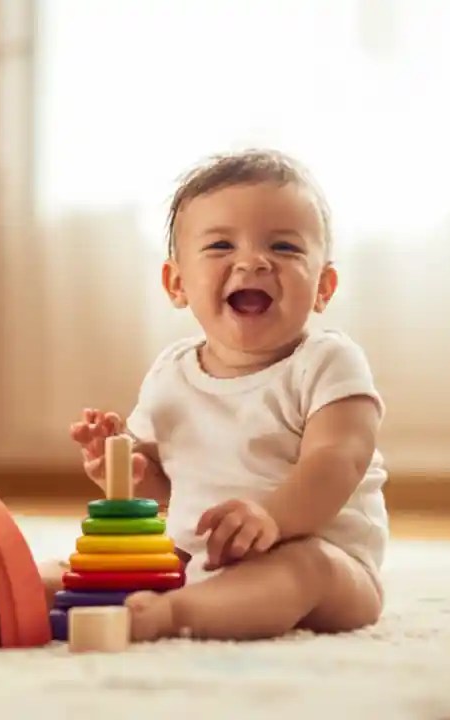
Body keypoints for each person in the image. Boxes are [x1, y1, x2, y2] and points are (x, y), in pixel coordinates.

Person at [45, 149, 388, 642]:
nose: (252, 261)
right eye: (221, 245)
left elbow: (337, 462)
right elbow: (163, 492)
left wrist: (273, 517)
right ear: (177, 283)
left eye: (286, 247)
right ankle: (9, 591)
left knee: (303, 566)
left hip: (326, 566)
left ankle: (172, 616)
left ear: (323, 287)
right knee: (92, 568)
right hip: (194, 561)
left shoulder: (328, 362)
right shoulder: (170, 374)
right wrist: (123, 466)